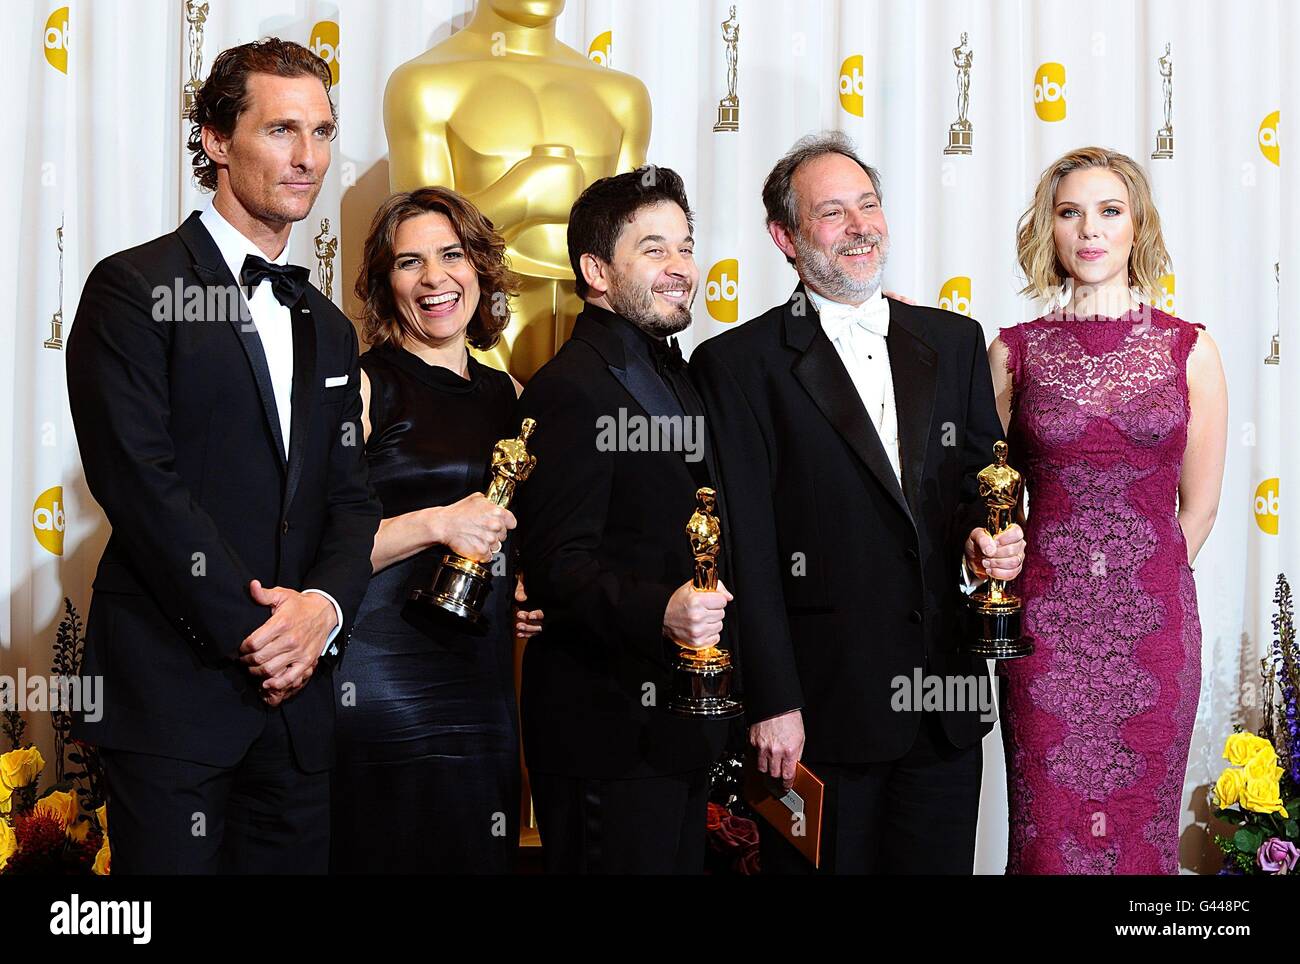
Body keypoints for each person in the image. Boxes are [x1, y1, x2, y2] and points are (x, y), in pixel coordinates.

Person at [65, 39, 380, 873]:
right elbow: (141, 485)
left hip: (301, 705)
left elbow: (351, 499)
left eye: (321, 131)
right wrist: (262, 636)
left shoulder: (331, 327)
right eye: (282, 130)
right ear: (213, 139)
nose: (309, 157)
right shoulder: (133, 288)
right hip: (176, 697)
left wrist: (322, 613)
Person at [690, 131, 1024, 874]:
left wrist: (988, 544)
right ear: (786, 236)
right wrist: (773, 700)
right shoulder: (738, 366)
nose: (859, 225)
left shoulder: (955, 340)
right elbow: (744, 543)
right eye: (832, 212)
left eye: (867, 204)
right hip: (820, 716)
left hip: (945, 704)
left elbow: (980, 480)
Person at [991, 146, 1227, 874]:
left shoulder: (1191, 351)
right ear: (1049, 231)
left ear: (1137, 227)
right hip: (1044, 635)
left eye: (1109, 211)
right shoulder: (1011, 354)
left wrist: (1137, 589)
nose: (1089, 230)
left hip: (1152, 636)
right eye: (1070, 213)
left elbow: (1204, 507)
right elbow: (985, 496)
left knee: (1137, 845)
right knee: (1047, 845)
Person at [513, 167, 731, 874]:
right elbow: (556, 568)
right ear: (597, 270)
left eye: (686, 246)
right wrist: (661, 610)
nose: (681, 269)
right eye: (655, 249)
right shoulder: (570, 389)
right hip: (604, 736)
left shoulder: (680, 374)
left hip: (676, 731)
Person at [331, 187, 543, 874]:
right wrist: (437, 522)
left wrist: (526, 591)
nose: (434, 279)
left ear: (479, 267)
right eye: (408, 263)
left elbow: (509, 529)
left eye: (451, 255)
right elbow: (317, 546)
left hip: (480, 680)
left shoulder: (508, 395)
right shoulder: (365, 386)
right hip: (381, 675)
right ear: (384, 283)